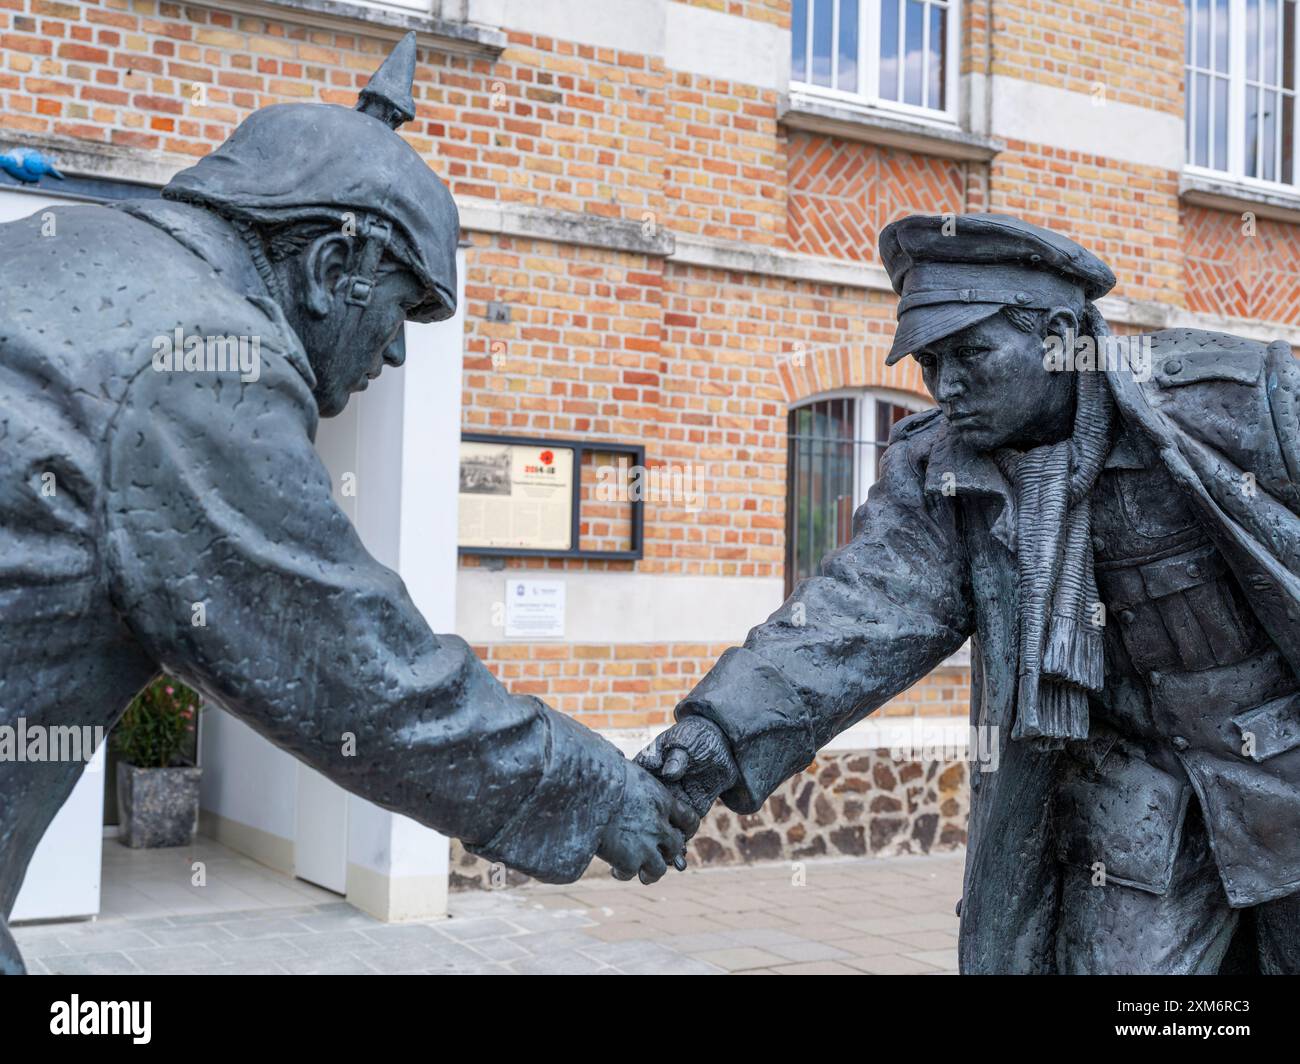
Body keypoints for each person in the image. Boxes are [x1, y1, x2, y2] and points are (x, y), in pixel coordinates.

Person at [0, 34, 694, 976]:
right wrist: (597, 791)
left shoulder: (76, 247)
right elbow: (356, 669)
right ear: (335, 268)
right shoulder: (204, 364)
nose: (397, 357)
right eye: (404, 312)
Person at [640, 212, 1300, 974]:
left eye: (970, 355)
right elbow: (862, 609)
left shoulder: (1230, 403)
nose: (944, 387)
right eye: (929, 363)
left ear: (1057, 335)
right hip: (1135, 801)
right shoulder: (942, 470)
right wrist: (715, 736)